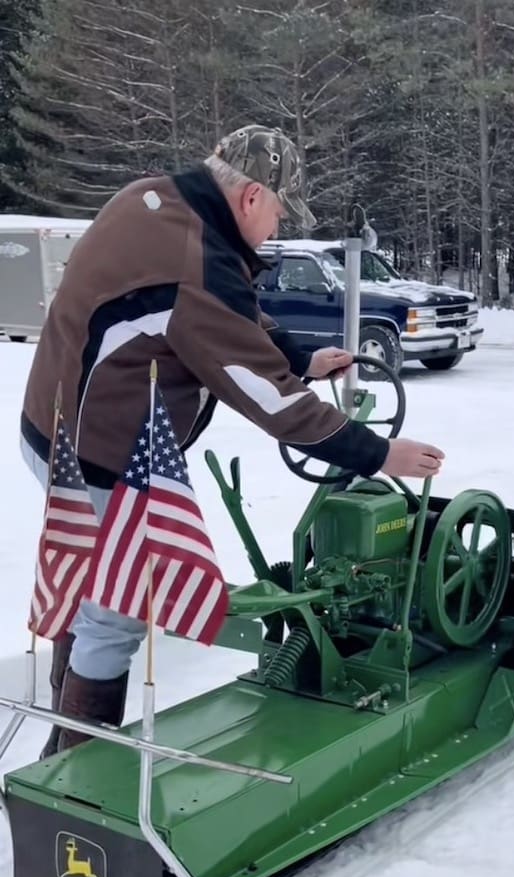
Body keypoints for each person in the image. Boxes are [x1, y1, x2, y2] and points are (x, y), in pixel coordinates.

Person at [20, 124, 447, 757]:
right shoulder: (198, 265)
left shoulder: (157, 201)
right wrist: (379, 453)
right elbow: (264, 394)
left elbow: (217, 324)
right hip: (99, 456)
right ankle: (80, 767)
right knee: (120, 604)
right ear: (251, 197)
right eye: (279, 212)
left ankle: (67, 741)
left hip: (52, 428)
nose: (278, 228)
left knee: (92, 582)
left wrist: (300, 354)